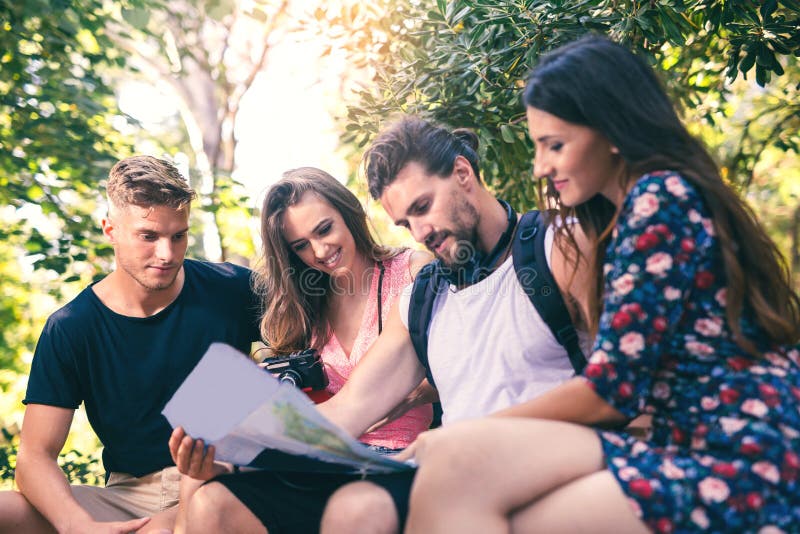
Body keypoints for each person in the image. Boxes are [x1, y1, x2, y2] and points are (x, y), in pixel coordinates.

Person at [401, 35, 800, 533]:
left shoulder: (661, 198)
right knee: (458, 472)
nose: (541, 166)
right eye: (538, 146)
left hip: (738, 455)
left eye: (555, 145)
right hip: (685, 440)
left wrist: (461, 434)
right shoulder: (628, 213)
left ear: (610, 127)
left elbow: (613, 391)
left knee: (461, 463)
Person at [170, 117, 593, 534]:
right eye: (407, 223)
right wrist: (234, 433)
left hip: (526, 457)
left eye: (423, 208)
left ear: (463, 173)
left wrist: (451, 436)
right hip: (439, 469)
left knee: (363, 507)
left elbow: (621, 384)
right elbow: (347, 411)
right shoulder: (422, 298)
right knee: (221, 498)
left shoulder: (558, 246)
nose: (421, 232)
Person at [0, 155, 261, 534]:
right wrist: (77, 525)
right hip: (127, 495)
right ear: (111, 230)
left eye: (178, 235)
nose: (167, 254)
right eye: (148, 236)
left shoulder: (232, 288)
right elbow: (35, 458)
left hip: (220, 480)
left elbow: (327, 323)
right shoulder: (73, 327)